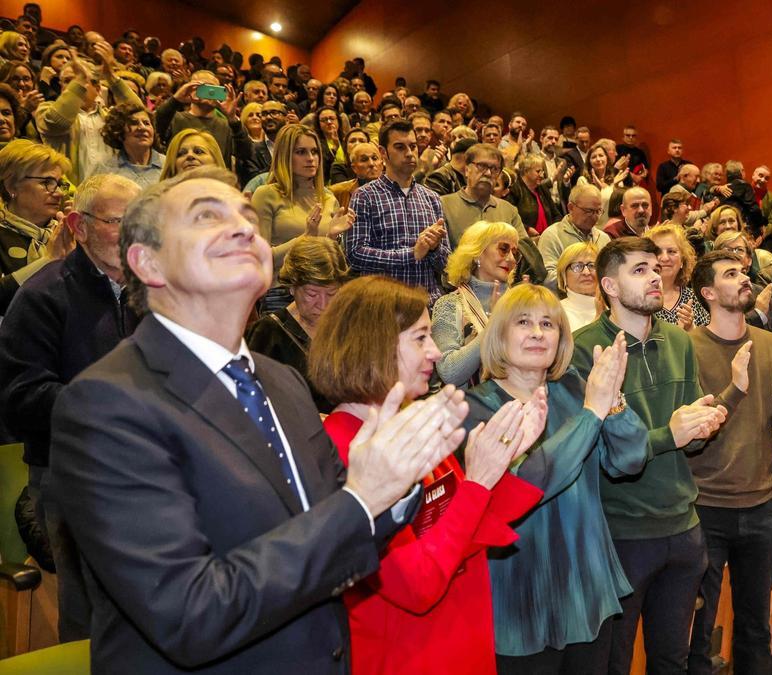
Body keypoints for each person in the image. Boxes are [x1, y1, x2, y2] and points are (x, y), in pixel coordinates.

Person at [46, 166, 472, 673]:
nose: (245, 227)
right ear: (147, 263)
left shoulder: (282, 382)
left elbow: (339, 533)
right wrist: (363, 499)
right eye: (208, 216)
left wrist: (393, 481)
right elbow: (190, 612)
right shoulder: (105, 405)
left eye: (248, 215)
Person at [308, 275, 542, 675]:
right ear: (375, 345)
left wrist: (497, 464)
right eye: (420, 338)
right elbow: (415, 585)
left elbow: (470, 525)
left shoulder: (410, 423)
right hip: (410, 655)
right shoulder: (341, 452)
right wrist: (478, 481)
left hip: (460, 640)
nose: (435, 352)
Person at [463, 284, 650, 674]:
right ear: (499, 334)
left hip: (586, 593)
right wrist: (592, 413)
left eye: (548, 324)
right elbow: (528, 486)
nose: (537, 333)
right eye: (524, 322)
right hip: (519, 599)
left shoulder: (574, 388)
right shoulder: (475, 408)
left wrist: (612, 400)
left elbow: (629, 460)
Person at [571, 236, 728, 674]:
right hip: (620, 532)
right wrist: (670, 434)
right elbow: (598, 449)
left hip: (683, 526)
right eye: (639, 269)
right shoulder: (586, 349)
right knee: (614, 661)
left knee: (671, 660)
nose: (655, 275)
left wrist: (701, 426)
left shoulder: (679, 340)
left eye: (656, 267)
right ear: (610, 286)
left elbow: (688, 436)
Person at [0, 173, 141, 641]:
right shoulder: (42, 296)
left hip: (146, 467)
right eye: (119, 222)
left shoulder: (153, 289)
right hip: (70, 477)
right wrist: (112, 404)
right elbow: (21, 399)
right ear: (78, 226)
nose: (134, 234)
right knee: (92, 621)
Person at [685, 250, 772, 674]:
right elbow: (692, 432)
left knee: (758, 628)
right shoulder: (688, 348)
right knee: (697, 631)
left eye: (744, 271)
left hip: (761, 509)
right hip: (703, 509)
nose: (744, 278)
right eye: (730, 274)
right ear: (707, 292)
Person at [346, 119, 449, 302]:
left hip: (427, 303)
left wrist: (434, 248)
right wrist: (411, 254)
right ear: (383, 152)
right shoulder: (365, 196)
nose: (409, 154)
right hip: (383, 305)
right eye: (400, 147)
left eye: (413, 146)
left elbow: (447, 265)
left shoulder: (432, 198)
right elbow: (355, 254)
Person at [252, 123, 353, 309]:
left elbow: (334, 262)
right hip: (281, 293)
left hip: (323, 294)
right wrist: (306, 237)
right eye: (301, 152)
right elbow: (259, 259)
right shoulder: (266, 194)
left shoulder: (328, 198)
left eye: (314, 152)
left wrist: (332, 238)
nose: (310, 158)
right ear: (285, 155)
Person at [246, 236, 349, 414]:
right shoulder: (268, 333)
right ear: (292, 287)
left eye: (332, 293)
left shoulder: (349, 326)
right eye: (312, 293)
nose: (323, 304)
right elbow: (255, 401)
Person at [432, 220, 521, 387]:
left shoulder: (522, 301)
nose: (511, 259)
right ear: (477, 253)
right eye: (503, 249)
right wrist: (493, 327)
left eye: (515, 253)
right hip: (472, 408)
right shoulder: (449, 305)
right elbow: (449, 373)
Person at [36, 47, 142, 183]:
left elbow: (138, 113)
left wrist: (111, 77)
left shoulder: (111, 116)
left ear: (97, 88)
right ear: (61, 86)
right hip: (69, 195)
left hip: (111, 193)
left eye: (82, 79)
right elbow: (57, 123)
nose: (74, 85)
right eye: (68, 81)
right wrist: (81, 79)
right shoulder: (46, 109)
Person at [0, 139, 68, 315]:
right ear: (11, 186)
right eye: (47, 182)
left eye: (60, 184)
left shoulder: (67, 233)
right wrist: (48, 261)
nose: (59, 192)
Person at [440, 142, 523, 247]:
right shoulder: (443, 205)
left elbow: (524, 249)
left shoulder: (509, 211)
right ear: (466, 170)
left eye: (494, 169)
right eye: (481, 166)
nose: (488, 173)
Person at [538, 182, 610, 282]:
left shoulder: (604, 238)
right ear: (571, 207)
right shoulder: (552, 236)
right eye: (588, 211)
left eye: (598, 211)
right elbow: (548, 277)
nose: (595, 216)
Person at [647, 223, 709, 331]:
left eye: (671, 251)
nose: (665, 258)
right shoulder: (639, 299)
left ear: (682, 260)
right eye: (658, 252)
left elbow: (707, 343)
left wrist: (691, 329)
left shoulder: (695, 298)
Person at [95, 101, 164, 189]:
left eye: (146, 123)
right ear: (119, 132)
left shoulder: (169, 165)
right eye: (134, 123)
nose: (142, 127)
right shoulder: (105, 169)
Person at [508, 152, 562, 236]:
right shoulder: (515, 189)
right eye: (538, 171)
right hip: (524, 238)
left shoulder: (542, 188)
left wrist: (553, 231)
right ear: (526, 171)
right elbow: (510, 217)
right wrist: (527, 229)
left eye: (543, 171)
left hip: (547, 237)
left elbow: (556, 215)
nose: (542, 175)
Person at [556, 242, 601, 331]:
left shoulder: (616, 309)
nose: (586, 272)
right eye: (577, 266)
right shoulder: (555, 313)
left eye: (592, 266)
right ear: (563, 274)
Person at [331, 139, 384, 208]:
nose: (371, 164)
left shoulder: (395, 189)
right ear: (354, 168)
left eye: (374, 158)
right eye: (364, 160)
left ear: (382, 163)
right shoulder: (338, 192)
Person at [159, 127, 225, 180]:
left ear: (215, 160)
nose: (190, 155)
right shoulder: (162, 196)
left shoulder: (230, 195)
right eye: (181, 154)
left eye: (198, 152)